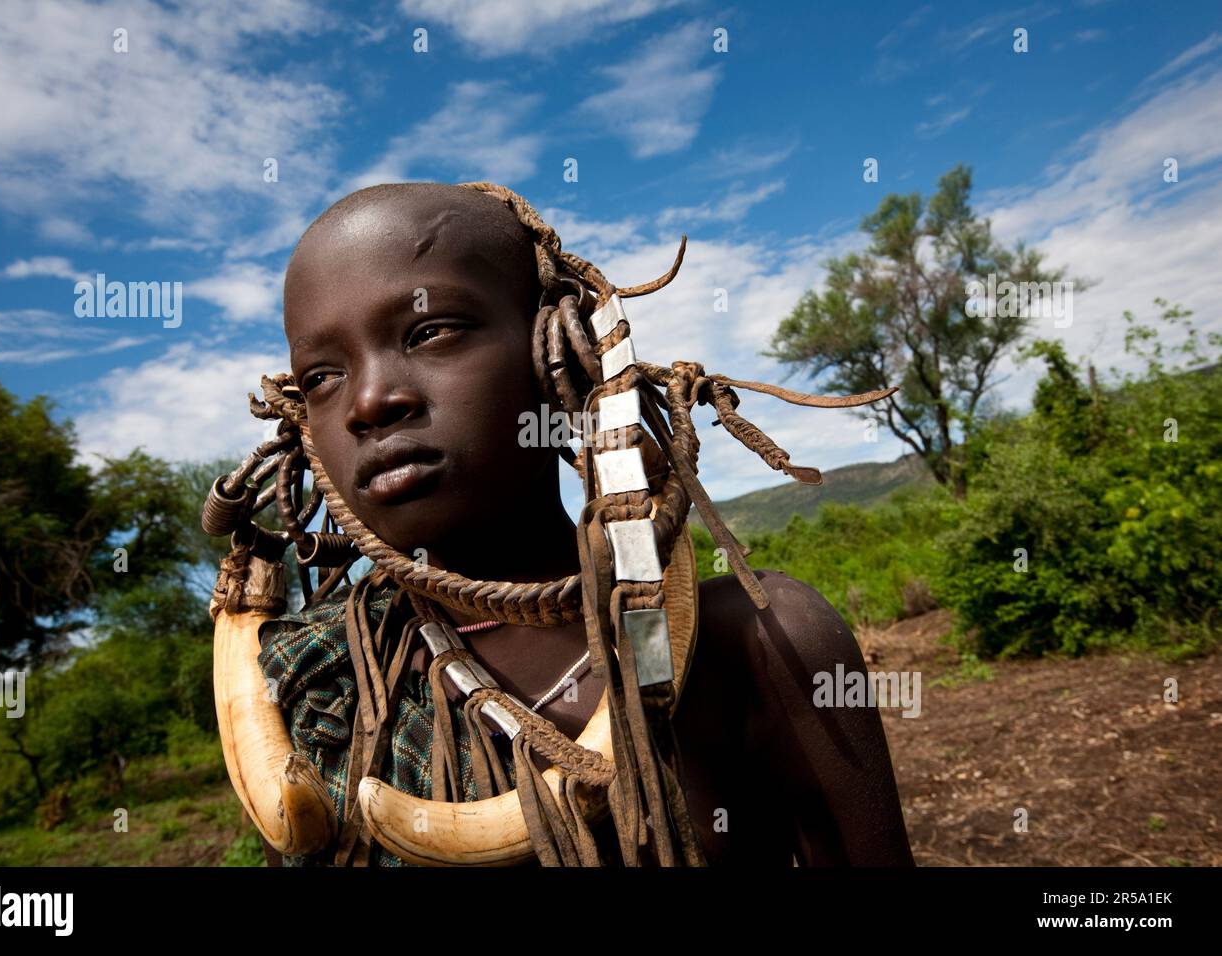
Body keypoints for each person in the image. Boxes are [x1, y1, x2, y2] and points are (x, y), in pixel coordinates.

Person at [226, 180, 913, 867]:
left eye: (430, 332)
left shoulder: (762, 646)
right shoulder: (322, 686)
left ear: (560, 342)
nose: (369, 402)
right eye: (321, 377)